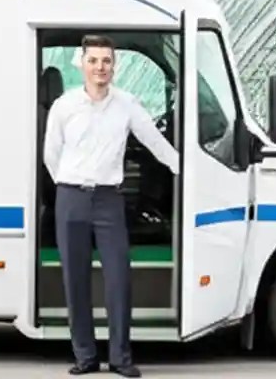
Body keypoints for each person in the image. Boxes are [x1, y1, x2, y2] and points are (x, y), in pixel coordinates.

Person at [43, 34, 181, 377]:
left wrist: (183, 167)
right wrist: (68, 182)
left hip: (108, 199)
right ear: (82, 64)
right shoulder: (65, 105)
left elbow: (154, 141)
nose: (100, 67)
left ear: (114, 66)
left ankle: (120, 358)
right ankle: (85, 357)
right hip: (71, 197)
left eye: (106, 61)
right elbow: (51, 153)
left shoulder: (127, 104)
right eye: (93, 61)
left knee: (119, 278)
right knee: (75, 280)